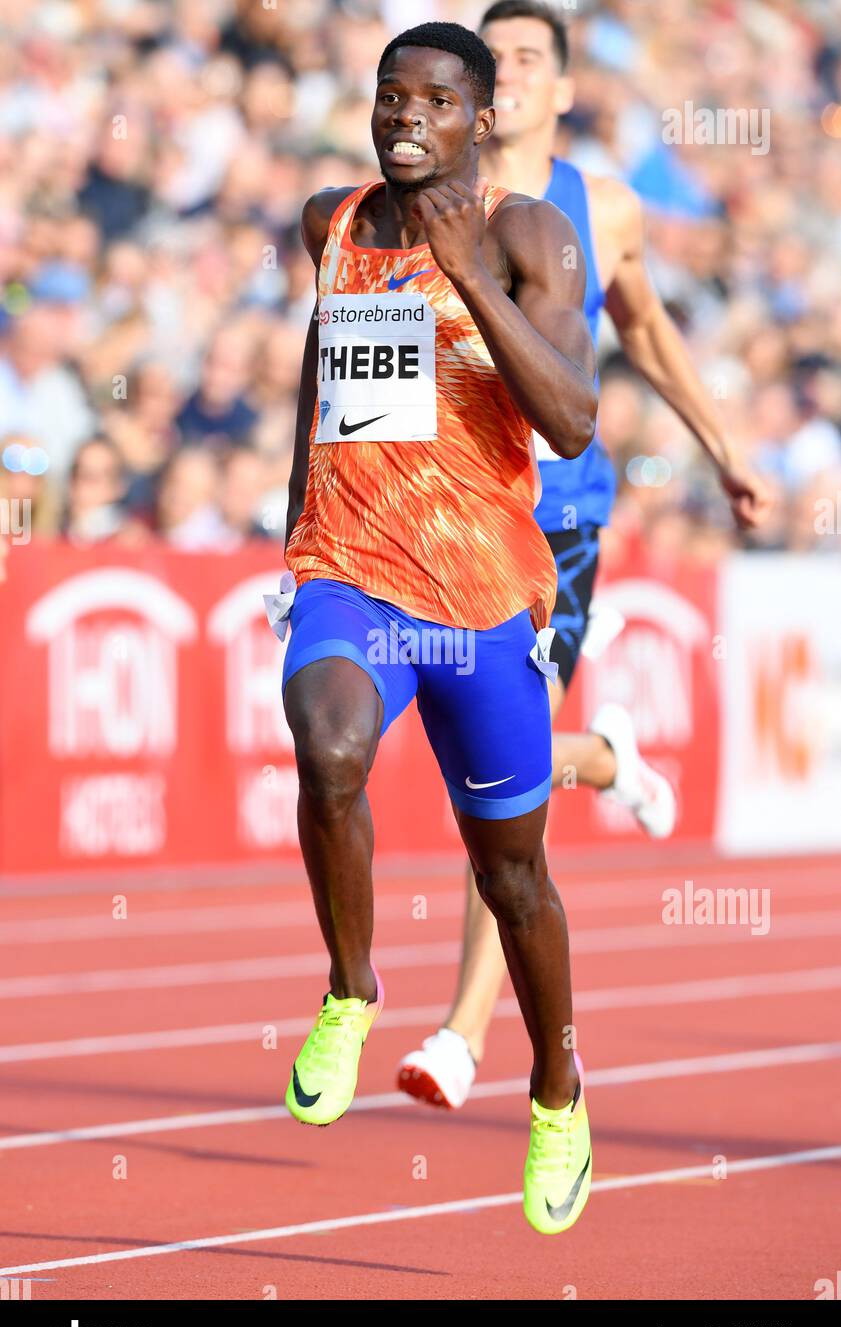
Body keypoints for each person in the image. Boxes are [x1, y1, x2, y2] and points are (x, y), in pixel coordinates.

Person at [397, 0, 773, 1111]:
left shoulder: (600, 207)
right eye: (488, 57)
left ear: (561, 89)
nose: (502, 74)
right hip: (433, 514)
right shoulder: (419, 200)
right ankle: (607, 758)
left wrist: (726, 449)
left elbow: (646, 328)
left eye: (524, 60)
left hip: (551, 523)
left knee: (496, 775)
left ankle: (464, 1032)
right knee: (461, 755)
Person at [271, 20, 597, 1235]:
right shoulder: (334, 222)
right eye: (388, 95)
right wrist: (295, 510)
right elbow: (323, 353)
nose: (405, 116)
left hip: (482, 602)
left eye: (434, 102)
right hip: (352, 574)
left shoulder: (527, 234)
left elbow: (569, 419)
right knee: (329, 746)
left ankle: (557, 1088)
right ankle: (352, 987)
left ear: (481, 115)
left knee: (514, 880)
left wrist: (466, 273)